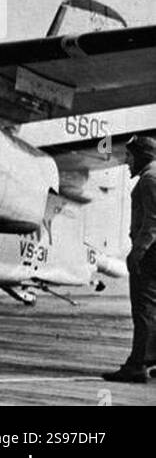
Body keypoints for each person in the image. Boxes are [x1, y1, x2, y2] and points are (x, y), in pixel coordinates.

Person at [103, 136, 156, 383]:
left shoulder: (149, 179)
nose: (126, 162)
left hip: (150, 252)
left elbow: (153, 222)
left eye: (130, 156)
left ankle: (137, 365)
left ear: (142, 156)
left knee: (144, 309)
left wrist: (137, 252)